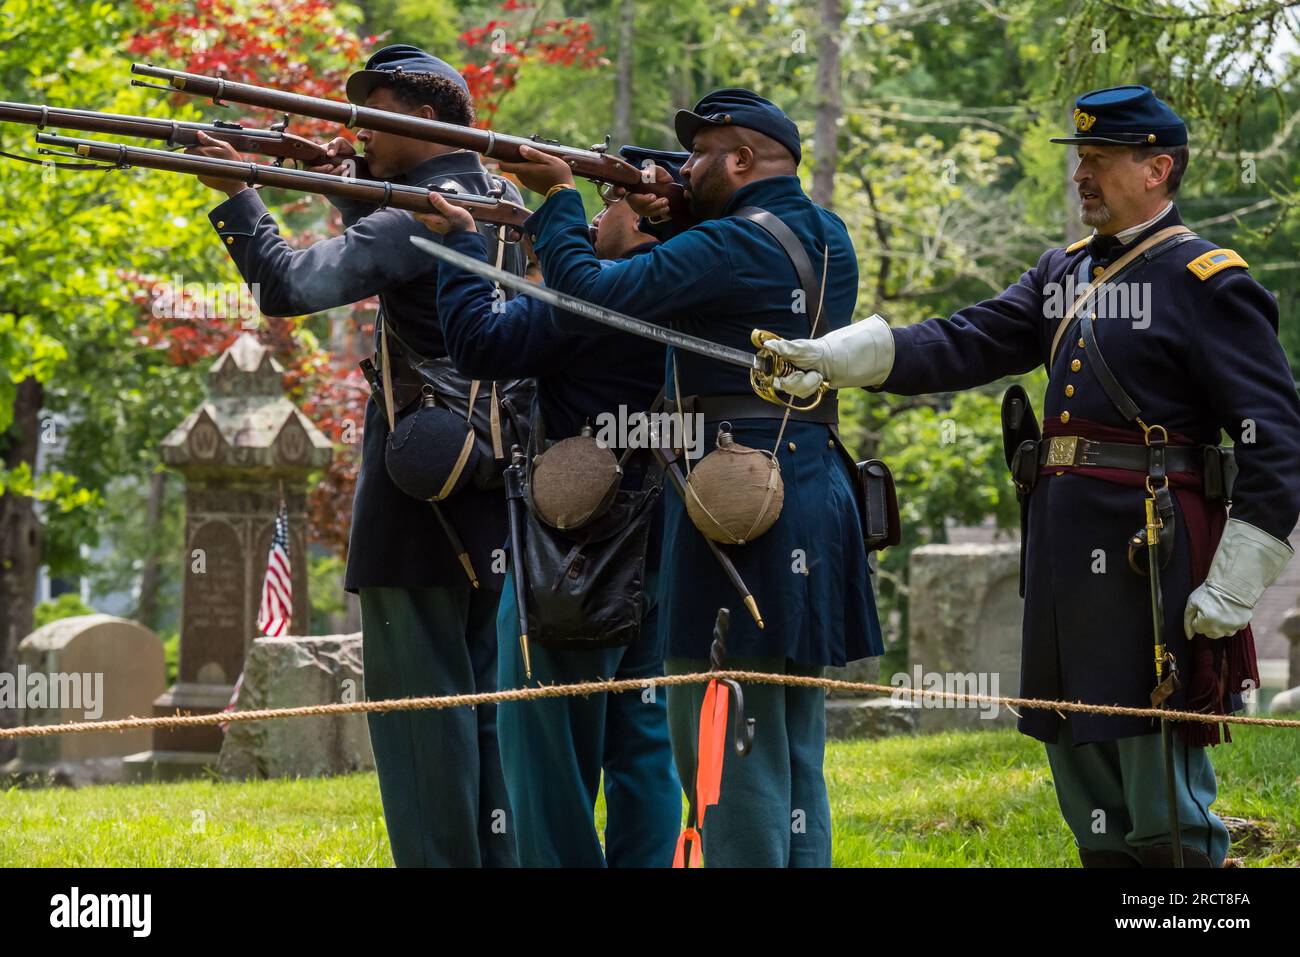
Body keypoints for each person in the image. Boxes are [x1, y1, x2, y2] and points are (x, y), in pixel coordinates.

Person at [769, 85, 1300, 867]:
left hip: (1151, 560)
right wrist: (835, 359)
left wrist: (1236, 581)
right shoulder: (1063, 271)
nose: (1082, 175)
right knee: (1084, 779)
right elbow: (964, 340)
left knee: (1164, 798)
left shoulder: (1206, 280)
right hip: (1063, 560)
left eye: (1101, 159)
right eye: (1080, 159)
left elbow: (1276, 439)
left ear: (1158, 169)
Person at [496, 89, 883, 867]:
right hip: (809, 493)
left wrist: (561, 203)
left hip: (734, 506)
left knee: (722, 748)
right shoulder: (824, 232)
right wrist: (669, 208)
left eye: (702, 155)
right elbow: (727, 269)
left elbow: (593, 293)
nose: (690, 167)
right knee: (790, 745)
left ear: (739, 160)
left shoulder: (730, 244)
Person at [192, 44, 522, 867]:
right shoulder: (508, 196)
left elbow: (286, 287)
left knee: (418, 717)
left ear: (421, 116)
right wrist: (345, 187)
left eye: (369, 110)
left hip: (418, 492)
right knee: (490, 706)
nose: (356, 129)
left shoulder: (421, 207)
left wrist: (240, 194)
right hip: (508, 482)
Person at [412, 146, 689, 867]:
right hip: (664, 548)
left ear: (654, 222)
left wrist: (460, 245)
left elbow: (477, 343)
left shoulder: (608, 292)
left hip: (573, 558)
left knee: (545, 761)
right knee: (644, 748)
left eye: (618, 203)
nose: (604, 212)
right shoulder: (698, 287)